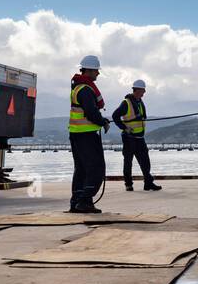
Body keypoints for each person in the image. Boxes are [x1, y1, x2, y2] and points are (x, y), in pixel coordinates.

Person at [68, 55, 111, 213]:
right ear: (89, 70)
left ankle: (76, 201)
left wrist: (100, 120)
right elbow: (91, 112)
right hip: (86, 135)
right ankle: (85, 201)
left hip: (77, 134)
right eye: (96, 71)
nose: (98, 74)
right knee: (96, 168)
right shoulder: (85, 89)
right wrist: (103, 121)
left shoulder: (78, 87)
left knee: (81, 169)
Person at [114, 79, 161, 191]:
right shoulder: (126, 103)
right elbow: (115, 116)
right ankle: (128, 184)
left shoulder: (139, 102)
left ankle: (148, 183)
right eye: (143, 90)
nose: (144, 92)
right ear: (137, 90)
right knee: (128, 161)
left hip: (140, 137)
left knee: (145, 161)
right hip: (129, 138)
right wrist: (124, 127)